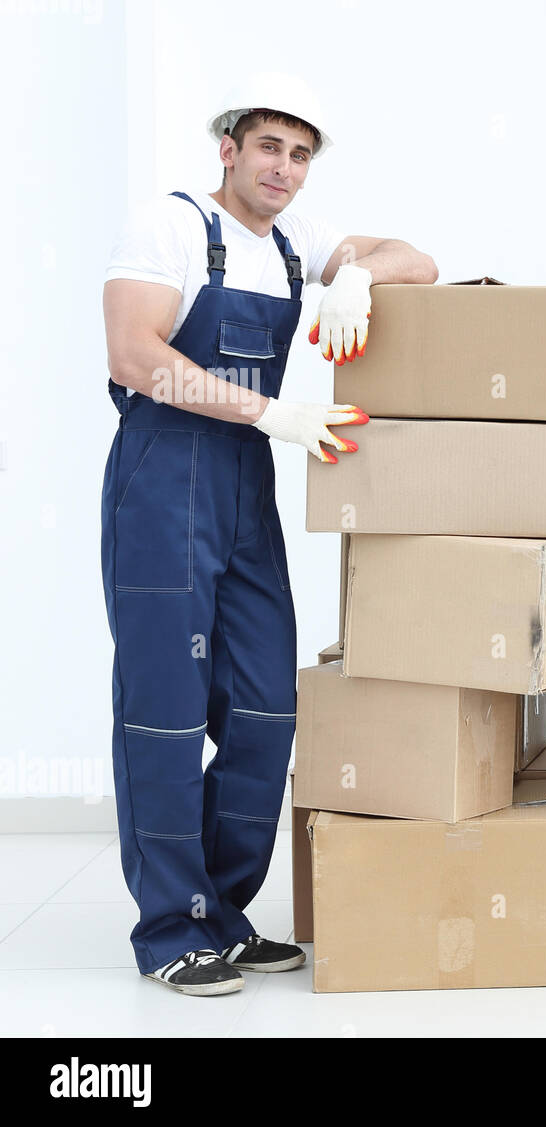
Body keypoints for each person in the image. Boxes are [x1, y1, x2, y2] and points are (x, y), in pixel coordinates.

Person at [101, 73, 438, 996]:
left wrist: (360, 272)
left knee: (264, 709)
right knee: (165, 714)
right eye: (267, 148)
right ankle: (170, 929)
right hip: (164, 478)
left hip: (245, 488)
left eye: (299, 153)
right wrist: (271, 413)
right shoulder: (168, 226)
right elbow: (134, 352)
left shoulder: (299, 246)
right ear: (228, 149)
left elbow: (423, 259)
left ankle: (222, 912)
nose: (282, 167)